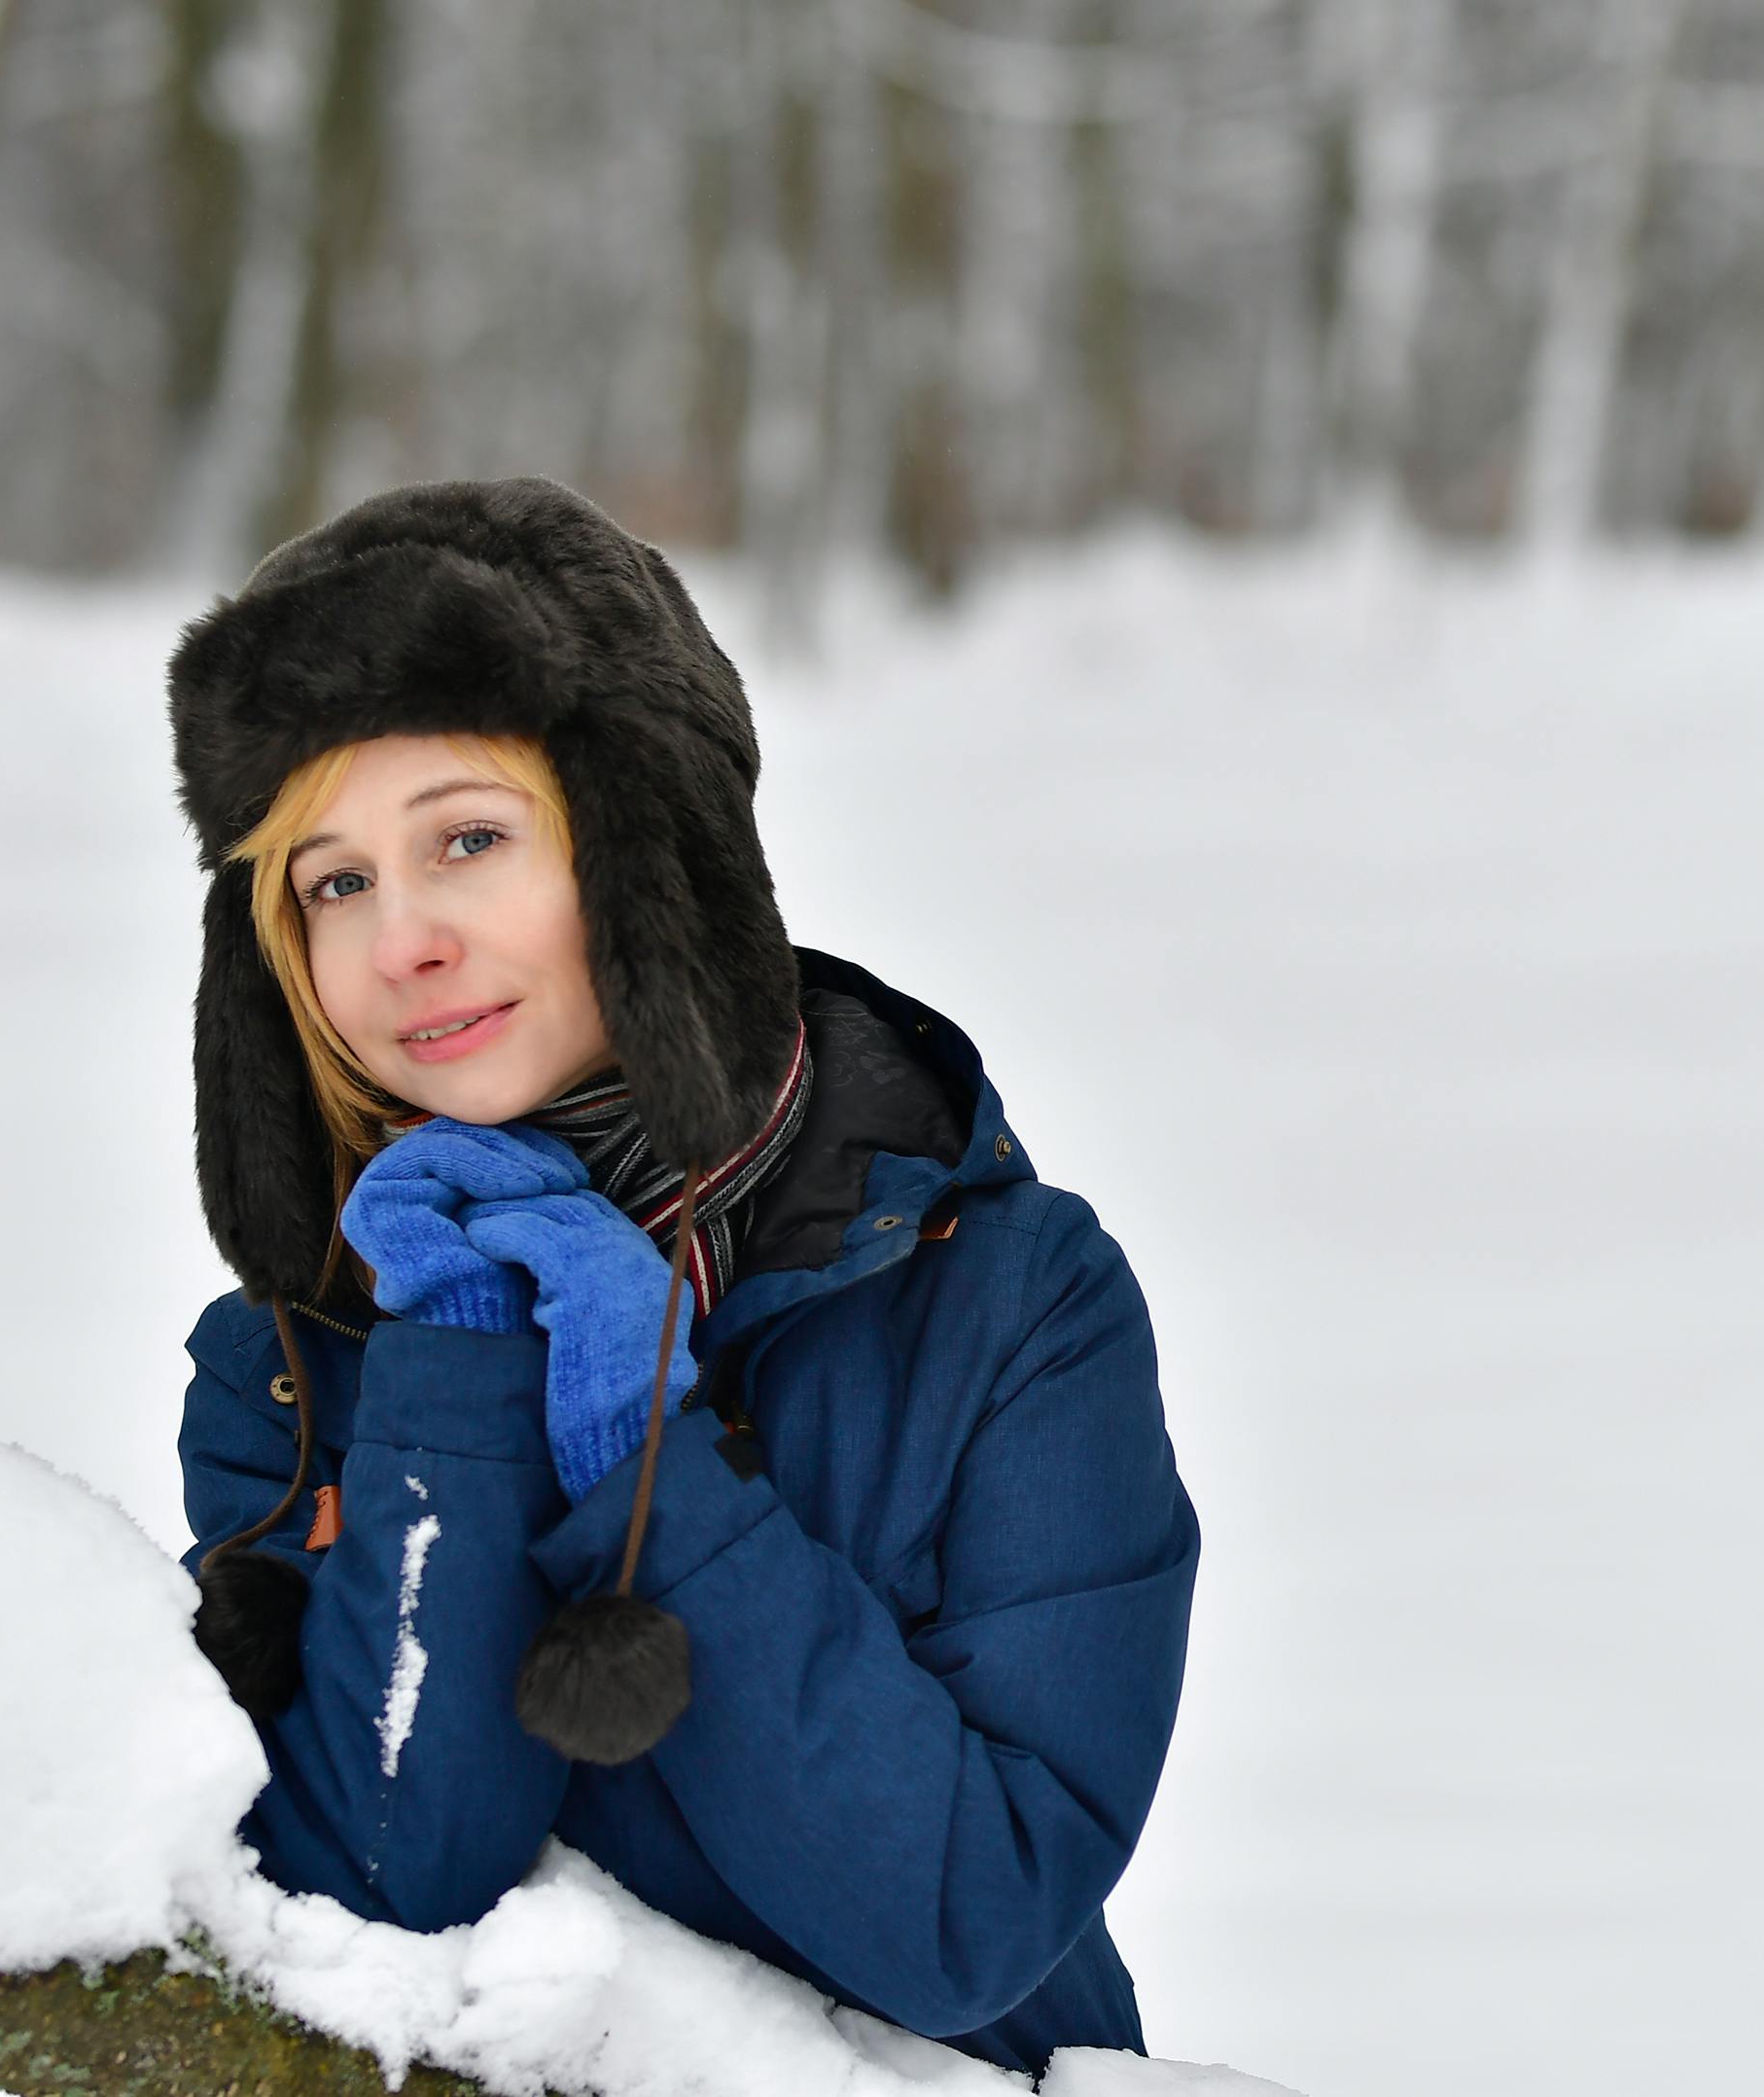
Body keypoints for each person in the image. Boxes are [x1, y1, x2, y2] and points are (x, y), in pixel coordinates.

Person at [163, 477, 1199, 2074]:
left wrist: (657, 1470)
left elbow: (966, 1924)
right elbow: (386, 1892)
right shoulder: (288, 1373)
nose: (399, 944)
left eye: (469, 839)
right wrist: (459, 1377)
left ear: (650, 858)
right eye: (336, 880)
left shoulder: (1006, 1299)